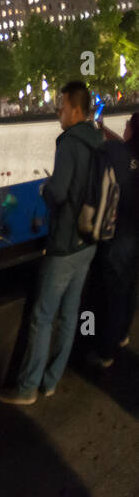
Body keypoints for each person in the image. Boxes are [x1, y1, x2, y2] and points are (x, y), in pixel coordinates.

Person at [0, 81, 104, 405]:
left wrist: (45, 190)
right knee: (70, 313)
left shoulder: (69, 141)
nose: (58, 111)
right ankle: (52, 379)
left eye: (61, 106)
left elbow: (59, 191)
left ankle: (28, 386)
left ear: (75, 109)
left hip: (65, 242)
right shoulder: (99, 138)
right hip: (90, 240)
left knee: (43, 316)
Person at [88, 112, 139, 367]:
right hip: (135, 233)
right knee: (130, 288)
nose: (125, 126)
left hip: (119, 236)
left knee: (113, 295)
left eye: (129, 123)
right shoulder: (131, 153)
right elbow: (122, 145)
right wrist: (104, 128)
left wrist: (97, 133)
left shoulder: (117, 154)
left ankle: (106, 352)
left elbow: (112, 149)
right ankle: (122, 336)